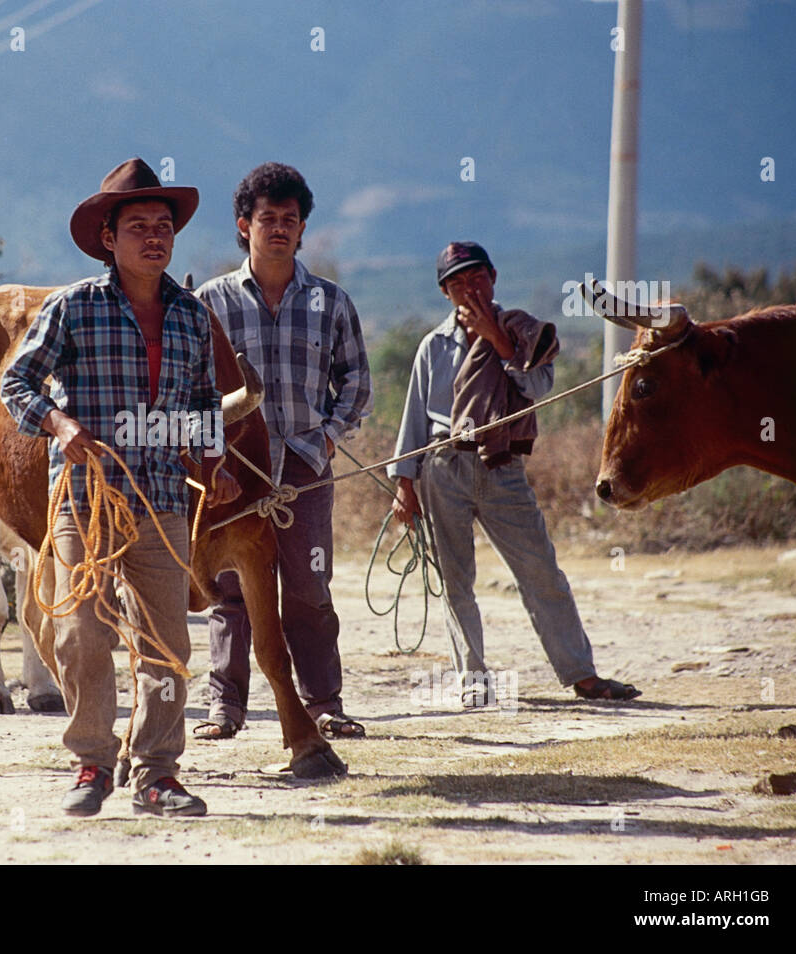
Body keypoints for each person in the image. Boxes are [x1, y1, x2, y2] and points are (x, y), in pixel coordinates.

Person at [0, 158, 241, 818]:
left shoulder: (191, 317)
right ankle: (90, 762)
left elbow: (202, 403)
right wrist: (57, 421)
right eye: (139, 226)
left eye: (164, 226)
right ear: (109, 238)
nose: (155, 238)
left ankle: (157, 773)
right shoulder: (73, 307)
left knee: (167, 646)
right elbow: (14, 384)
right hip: (86, 497)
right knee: (79, 632)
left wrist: (211, 461)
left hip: (162, 498)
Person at [389, 241, 640, 705]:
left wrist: (496, 338)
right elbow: (415, 421)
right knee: (455, 578)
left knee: (541, 571)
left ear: (494, 276)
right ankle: (472, 679)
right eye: (458, 282)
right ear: (445, 292)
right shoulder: (433, 346)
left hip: (501, 465)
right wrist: (404, 485)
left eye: (477, 277)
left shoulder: (522, 332)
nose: (470, 288)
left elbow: (538, 387)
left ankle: (582, 674)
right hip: (443, 467)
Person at [194, 163, 374, 741]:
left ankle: (323, 703)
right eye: (266, 218)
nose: (278, 229)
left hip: (303, 465)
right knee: (230, 591)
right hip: (229, 469)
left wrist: (327, 436)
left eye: (289, 220)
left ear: (302, 231)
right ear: (243, 226)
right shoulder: (208, 304)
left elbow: (356, 382)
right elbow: (190, 387)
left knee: (307, 586)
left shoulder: (331, 302)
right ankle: (226, 706)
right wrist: (208, 455)